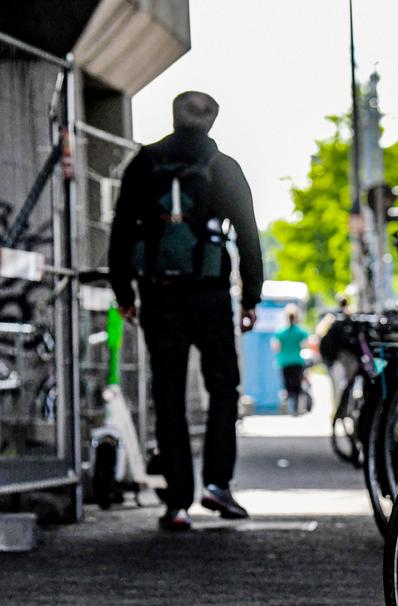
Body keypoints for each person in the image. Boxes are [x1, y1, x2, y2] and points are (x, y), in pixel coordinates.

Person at [107, 90, 263, 530]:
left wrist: (125, 292)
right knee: (224, 387)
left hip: (159, 296)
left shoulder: (145, 163)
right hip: (211, 296)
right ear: (212, 120)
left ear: (174, 116)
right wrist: (251, 297)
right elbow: (248, 235)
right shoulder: (224, 167)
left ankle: (176, 502)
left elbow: (121, 229)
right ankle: (218, 484)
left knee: (169, 394)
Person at [274, 306, 310, 415]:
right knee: (297, 384)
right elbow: (305, 345)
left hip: (284, 361)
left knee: (287, 384)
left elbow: (277, 347)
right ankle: (296, 407)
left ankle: (289, 402)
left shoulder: (280, 333)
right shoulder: (300, 332)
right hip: (297, 361)